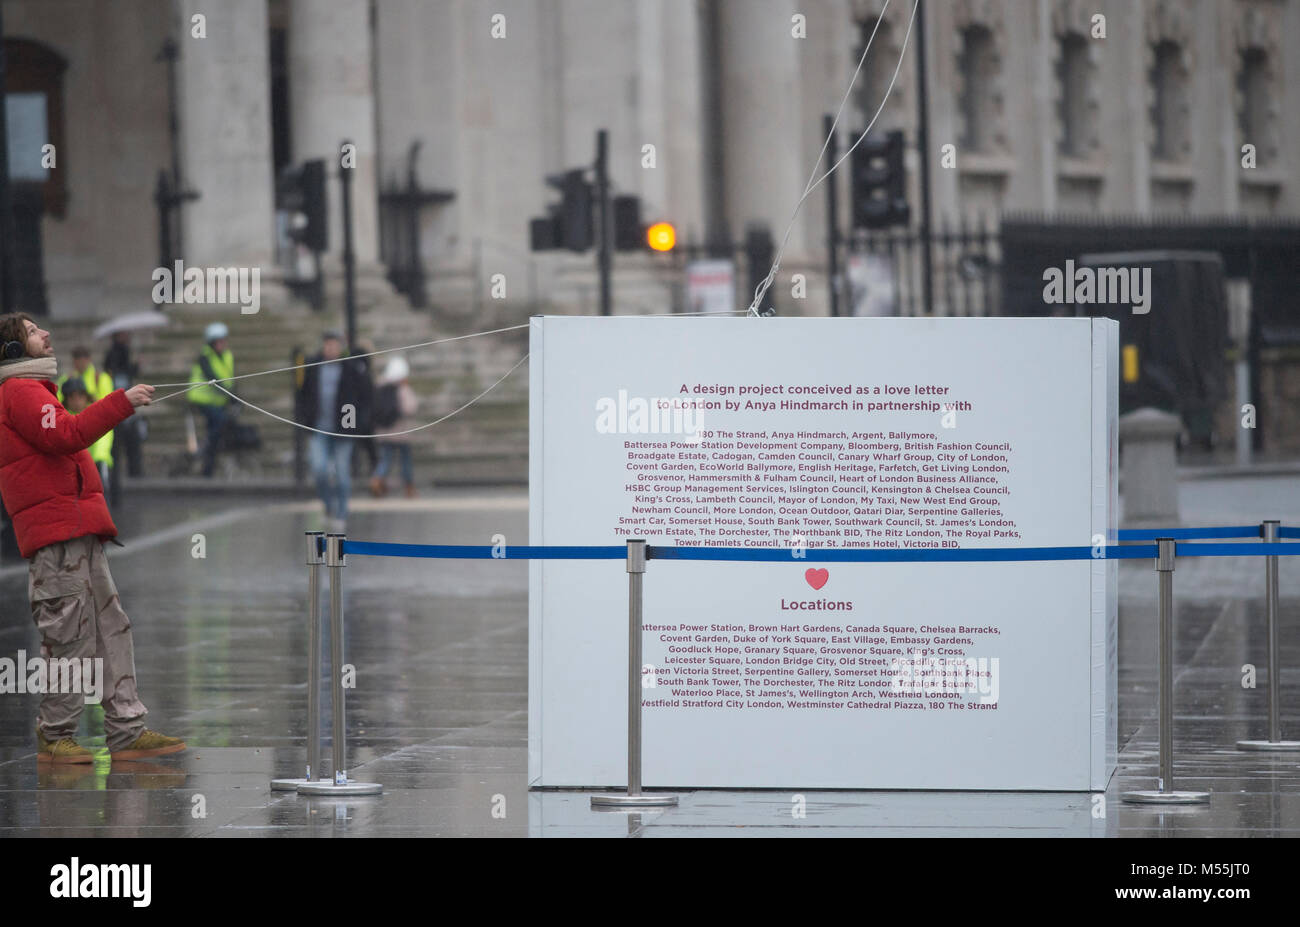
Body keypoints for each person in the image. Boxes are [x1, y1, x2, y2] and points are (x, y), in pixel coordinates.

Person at [0, 312, 186, 763]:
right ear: (13, 350)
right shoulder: (19, 392)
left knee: (110, 628)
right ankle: (55, 733)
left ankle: (126, 729)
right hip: (57, 538)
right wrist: (122, 401)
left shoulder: (38, 390)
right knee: (69, 637)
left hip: (79, 532)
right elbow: (67, 435)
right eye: (31, 331)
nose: (45, 333)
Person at [296, 330, 370, 532]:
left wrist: (353, 425)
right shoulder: (313, 366)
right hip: (319, 427)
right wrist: (306, 418)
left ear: (340, 347)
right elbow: (303, 395)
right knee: (319, 468)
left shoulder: (351, 368)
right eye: (327, 344)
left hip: (343, 429)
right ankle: (328, 505)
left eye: (334, 345)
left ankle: (342, 511)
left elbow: (362, 396)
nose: (330, 349)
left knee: (342, 471)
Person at [369, 355, 420, 499]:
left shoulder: (379, 385)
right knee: (405, 461)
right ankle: (409, 487)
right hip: (401, 432)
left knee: (385, 459)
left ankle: (377, 479)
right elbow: (410, 407)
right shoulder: (402, 388)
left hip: (383, 431)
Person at [188, 322, 234, 478]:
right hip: (202, 400)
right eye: (219, 341)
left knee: (220, 427)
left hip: (218, 401)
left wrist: (236, 397)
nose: (222, 344)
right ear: (212, 343)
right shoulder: (205, 357)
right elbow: (213, 378)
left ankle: (209, 465)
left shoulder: (227, 356)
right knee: (218, 423)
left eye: (224, 340)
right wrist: (229, 394)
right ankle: (206, 448)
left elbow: (230, 379)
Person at [59, 377, 115, 504]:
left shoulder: (94, 414)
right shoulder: (62, 419)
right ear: (66, 400)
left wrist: (98, 458)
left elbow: (104, 438)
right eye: (72, 397)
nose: (76, 401)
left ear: (86, 397)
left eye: (80, 396)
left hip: (95, 464)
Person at [103, 330, 145, 480]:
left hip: (125, 401)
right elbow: (120, 373)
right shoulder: (115, 353)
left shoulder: (123, 351)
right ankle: (130, 472)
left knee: (129, 439)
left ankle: (133, 471)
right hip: (121, 402)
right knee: (124, 440)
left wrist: (136, 366)